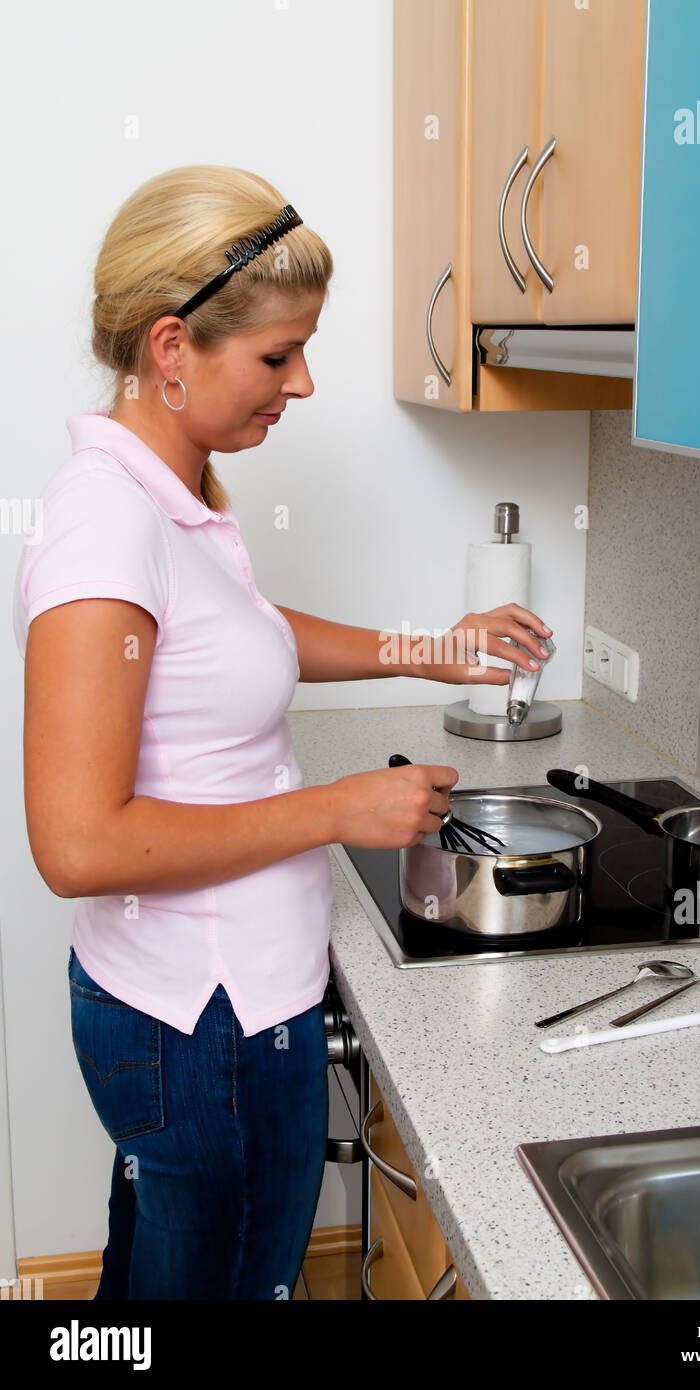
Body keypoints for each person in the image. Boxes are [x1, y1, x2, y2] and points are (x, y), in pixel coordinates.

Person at [12, 164, 554, 1300]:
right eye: (275, 356)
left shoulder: (170, 493)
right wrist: (337, 809)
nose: (302, 383)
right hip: (195, 1024)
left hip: (214, 1006)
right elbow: (76, 844)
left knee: (153, 1290)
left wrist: (425, 646)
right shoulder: (104, 530)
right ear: (172, 348)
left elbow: (237, 634)